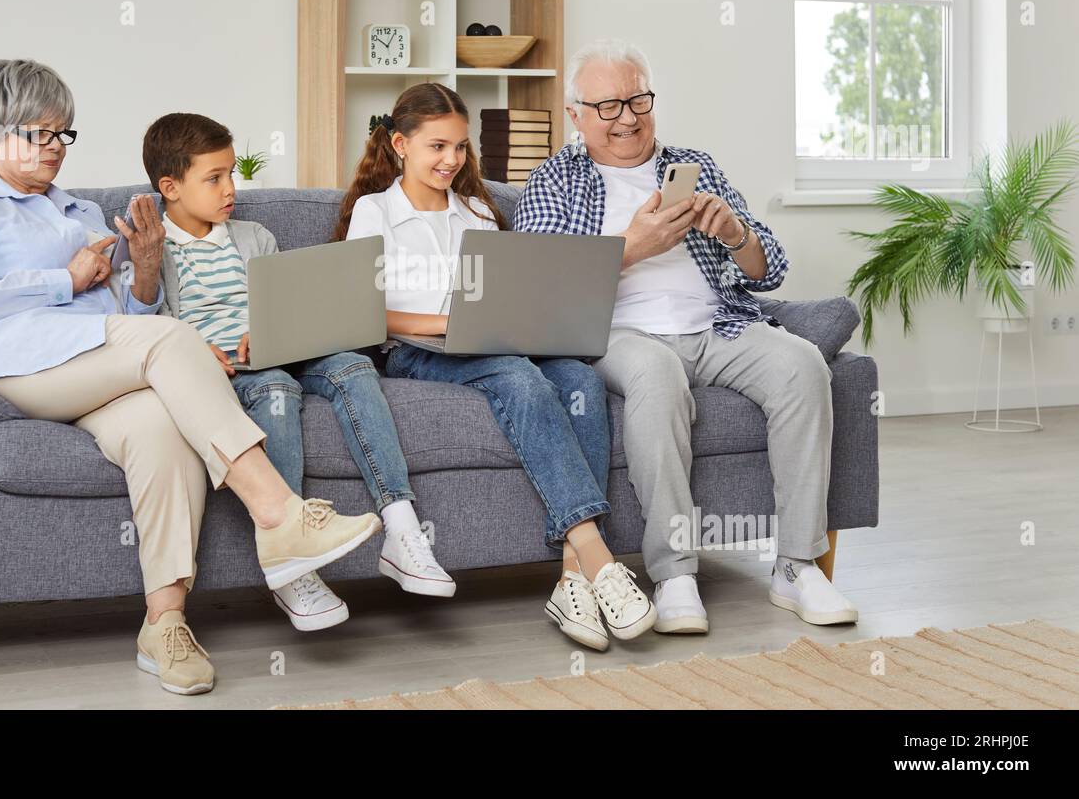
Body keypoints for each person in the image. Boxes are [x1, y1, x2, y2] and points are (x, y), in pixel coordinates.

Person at [0, 59, 380, 695]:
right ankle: (279, 515)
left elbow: (129, 318)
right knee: (175, 338)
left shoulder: (78, 212)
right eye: (40, 134)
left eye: (63, 134)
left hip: (94, 368)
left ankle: (164, 625)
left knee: (163, 430)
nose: (56, 148)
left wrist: (145, 270)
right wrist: (64, 280)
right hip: (17, 367)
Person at [513, 39, 859, 630]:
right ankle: (674, 575)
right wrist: (630, 248)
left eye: (639, 100)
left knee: (804, 365)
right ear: (575, 115)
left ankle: (798, 566)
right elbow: (537, 285)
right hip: (620, 333)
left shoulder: (694, 165)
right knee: (657, 374)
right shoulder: (554, 179)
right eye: (609, 106)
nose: (628, 117)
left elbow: (769, 267)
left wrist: (734, 235)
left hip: (718, 325)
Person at [336, 81, 657, 651]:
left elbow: (506, 294)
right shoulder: (374, 210)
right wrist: (447, 325)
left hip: (493, 340)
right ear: (400, 144)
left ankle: (570, 581)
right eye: (437, 146)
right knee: (519, 379)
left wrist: (514, 322)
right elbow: (366, 312)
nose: (451, 160)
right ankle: (600, 559)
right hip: (416, 352)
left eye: (460, 147)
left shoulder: (478, 213)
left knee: (580, 379)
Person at [141, 112, 454, 633]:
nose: (229, 190)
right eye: (214, 178)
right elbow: (149, 326)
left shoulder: (254, 236)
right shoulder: (156, 249)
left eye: (231, 175)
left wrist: (273, 329)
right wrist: (198, 350)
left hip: (281, 347)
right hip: (224, 369)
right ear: (169, 188)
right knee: (276, 388)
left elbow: (284, 301)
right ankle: (292, 564)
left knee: (353, 364)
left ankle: (401, 526)